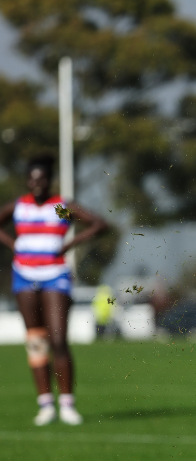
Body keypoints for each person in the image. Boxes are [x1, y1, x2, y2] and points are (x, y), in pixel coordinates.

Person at [0, 153, 107, 426]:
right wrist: (13, 245)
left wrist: (70, 244)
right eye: (33, 179)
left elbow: (98, 225)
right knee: (36, 341)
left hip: (55, 275)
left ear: (49, 181)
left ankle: (67, 404)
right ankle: (45, 404)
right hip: (24, 275)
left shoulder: (58, 207)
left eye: (43, 179)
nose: (37, 184)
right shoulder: (19, 207)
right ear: (27, 181)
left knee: (58, 340)